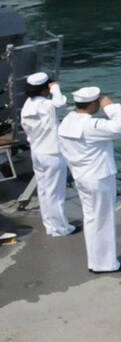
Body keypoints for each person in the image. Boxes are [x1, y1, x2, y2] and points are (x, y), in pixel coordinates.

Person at [57, 87, 121, 273]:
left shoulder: (68, 121)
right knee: (104, 220)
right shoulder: (91, 125)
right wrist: (112, 108)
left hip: (81, 176)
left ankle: (96, 260)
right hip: (99, 178)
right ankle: (105, 264)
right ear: (92, 104)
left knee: (91, 219)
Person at [19, 72, 75, 237]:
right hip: (52, 153)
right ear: (44, 90)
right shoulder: (46, 106)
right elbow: (60, 103)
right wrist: (56, 87)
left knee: (44, 191)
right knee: (56, 193)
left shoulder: (27, 105)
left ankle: (50, 225)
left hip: (37, 152)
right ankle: (60, 228)